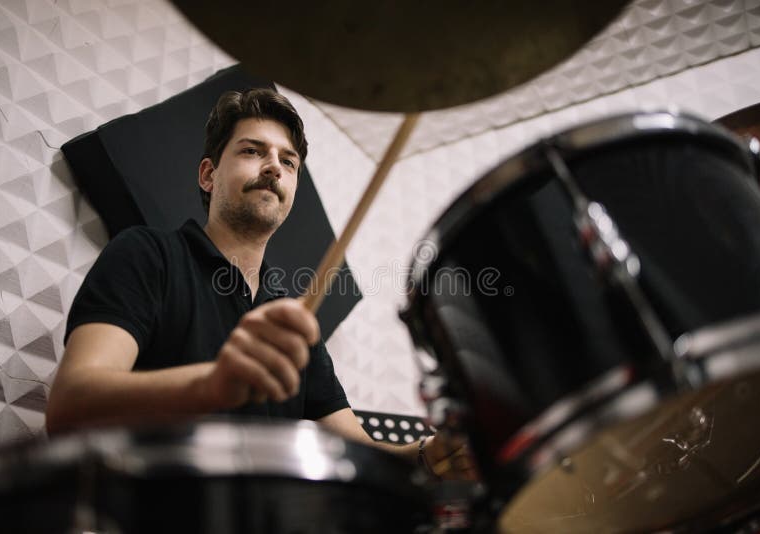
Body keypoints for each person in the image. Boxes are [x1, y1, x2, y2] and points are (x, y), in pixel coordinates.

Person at [46, 88, 474, 481]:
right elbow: (70, 406)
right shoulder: (148, 255)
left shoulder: (292, 318)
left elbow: (357, 450)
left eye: (288, 162)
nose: (274, 167)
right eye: (253, 151)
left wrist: (427, 454)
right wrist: (213, 385)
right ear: (208, 176)